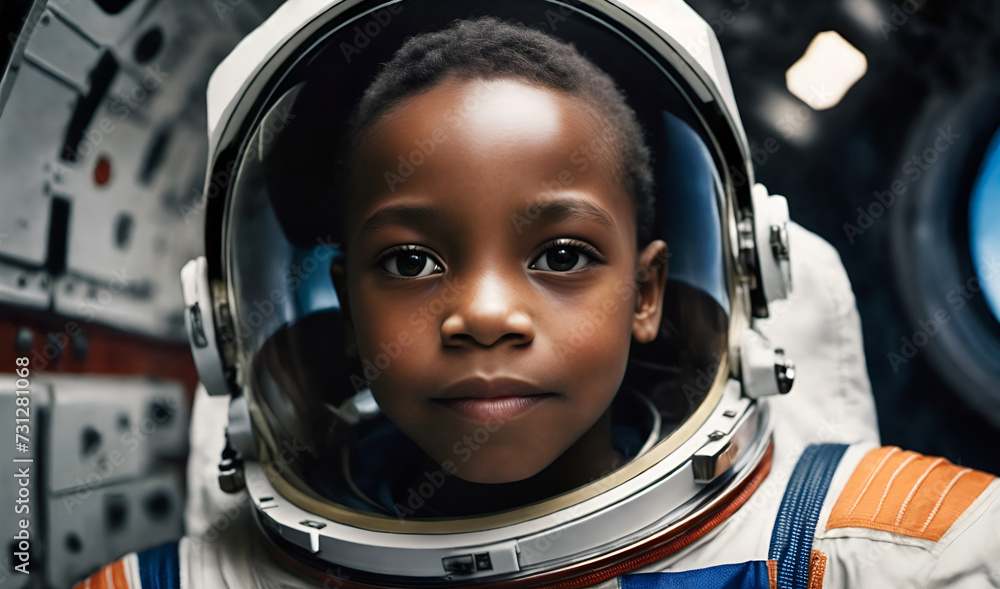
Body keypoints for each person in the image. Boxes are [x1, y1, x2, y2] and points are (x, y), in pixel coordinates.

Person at [76, 2, 1000, 588]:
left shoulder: (896, 550)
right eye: (408, 262)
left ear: (646, 293)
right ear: (348, 310)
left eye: (560, 253)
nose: (483, 313)